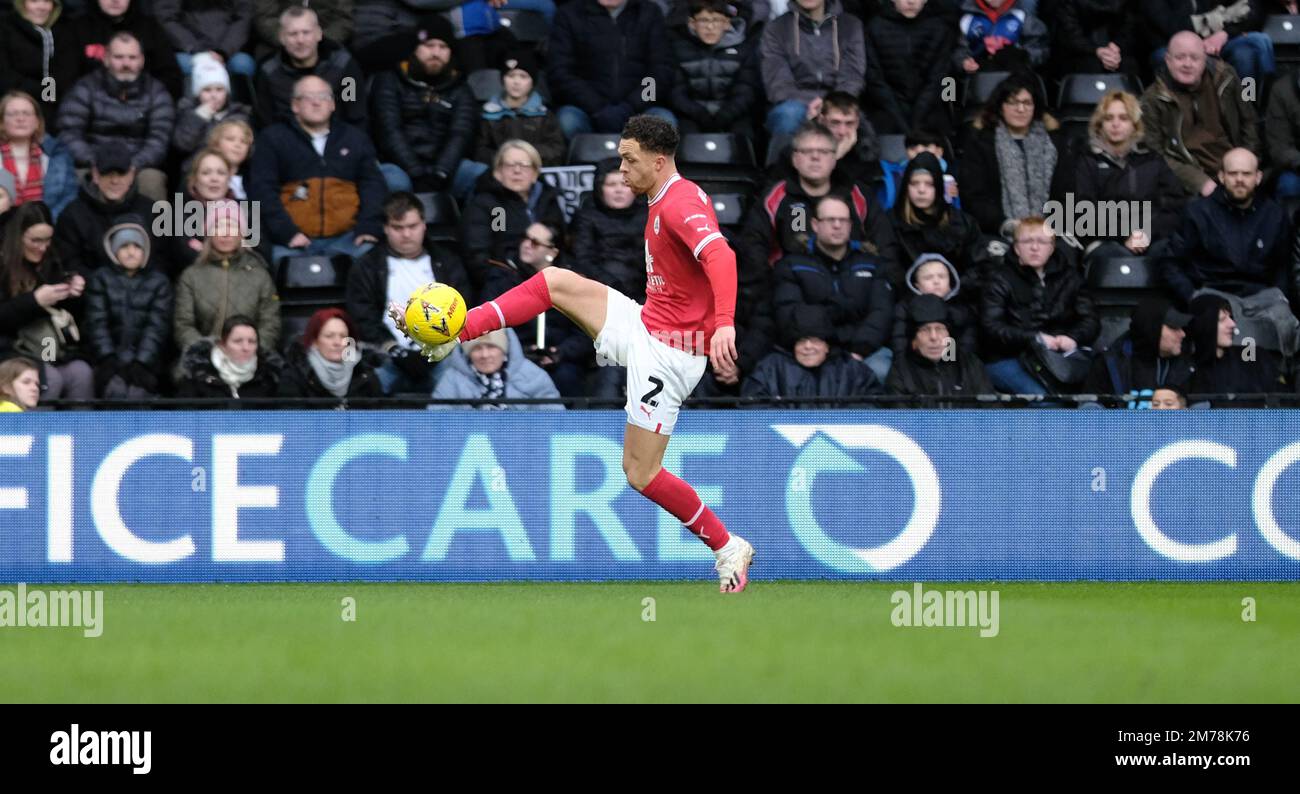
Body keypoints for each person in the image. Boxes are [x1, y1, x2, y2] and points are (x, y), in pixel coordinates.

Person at [391, 115, 756, 593]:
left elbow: (721, 256)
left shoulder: (682, 202)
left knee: (640, 472)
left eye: (629, 159)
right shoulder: (664, 197)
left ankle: (727, 545)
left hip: (670, 354)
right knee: (554, 281)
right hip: (647, 324)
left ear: (659, 160)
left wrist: (724, 322)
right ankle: (454, 332)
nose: (621, 168)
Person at [248, 75, 384, 266]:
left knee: (372, 258)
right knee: (276, 265)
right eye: (308, 97)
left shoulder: (355, 139)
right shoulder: (272, 139)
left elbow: (373, 186)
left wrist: (368, 228)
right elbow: (262, 191)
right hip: (293, 241)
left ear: (333, 104)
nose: (316, 102)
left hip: (349, 238)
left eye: (323, 96)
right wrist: (287, 233)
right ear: (295, 105)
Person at [346, 190, 471, 396]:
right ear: (386, 228)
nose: (406, 234)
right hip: (386, 355)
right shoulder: (366, 267)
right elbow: (363, 317)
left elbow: (462, 308)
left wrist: (437, 346)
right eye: (398, 228)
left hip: (441, 354)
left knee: (458, 380)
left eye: (412, 226)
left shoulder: (448, 263)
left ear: (423, 224)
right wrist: (393, 349)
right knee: (366, 386)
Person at [771, 194, 896, 383]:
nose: (837, 225)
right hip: (812, 349)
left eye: (843, 220)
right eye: (830, 220)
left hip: (864, 351)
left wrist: (859, 350)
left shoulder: (872, 264)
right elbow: (791, 314)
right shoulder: (792, 264)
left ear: (850, 225)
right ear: (815, 225)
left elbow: (881, 313)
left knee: (880, 370)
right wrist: (824, 345)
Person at [980, 216, 1099, 395]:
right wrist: (1034, 338)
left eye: (1042, 242)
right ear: (1016, 247)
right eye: (1027, 241)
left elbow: (1090, 319)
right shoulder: (998, 279)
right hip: (1010, 357)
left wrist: (1073, 338)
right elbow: (991, 328)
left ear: (1051, 248)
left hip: (1061, 357)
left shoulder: (1070, 277)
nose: (1035, 248)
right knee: (1046, 399)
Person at [57, 31, 175, 201]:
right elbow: (69, 133)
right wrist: (96, 163)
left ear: (141, 60)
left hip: (138, 166)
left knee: (153, 180)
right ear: (106, 59)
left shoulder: (157, 92)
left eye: (132, 58)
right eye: (118, 57)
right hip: (92, 163)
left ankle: (153, 229)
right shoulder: (85, 88)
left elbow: (159, 140)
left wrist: (132, 166)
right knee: (72, 177)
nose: (126, 63)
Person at [370, 14, 479, 196]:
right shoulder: (390, 80)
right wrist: (416, 172)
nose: (436, 53)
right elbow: (389, 131)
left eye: (443, 47)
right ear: (416, 48)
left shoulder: (460, 86)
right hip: (400, 167)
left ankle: (483, 225)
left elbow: (460, 134)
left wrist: (441, 172)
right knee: (393, 182)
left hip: (446, 168)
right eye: (429, 45)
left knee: (480, 175)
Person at [1140, 31, 1259, 198]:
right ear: (1167, 60)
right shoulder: (1152, 99)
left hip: (1235, 169)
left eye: (1194, 58)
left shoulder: (1227, 77)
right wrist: (1199, 182)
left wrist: (1245, 163)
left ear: (1205, 60)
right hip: (1190, 182)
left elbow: (1249, 121)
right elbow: (1155, 155)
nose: (1187, 64)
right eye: (1180, 57)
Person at [1073, 90, 1186, 259]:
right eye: (1109, 118)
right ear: (1100, 124)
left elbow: (1174, 208)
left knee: (1170, 254)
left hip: (1151, 237)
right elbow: (1084, 214)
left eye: (1123, 118)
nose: (1115, 124)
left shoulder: (1153, 160)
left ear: (1135, 124)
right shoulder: (1087, 161)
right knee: (1113, 257)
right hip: (1105, 240)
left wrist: (1145, 233)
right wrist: (1126, 233)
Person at [0, 201, 93, 400]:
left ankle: (83, 431)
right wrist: (34, 301)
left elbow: (73, 315)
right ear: (18, 238)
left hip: (51, 349)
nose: (42, 247)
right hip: (11, 351)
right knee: (47, 379)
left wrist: (73, 292)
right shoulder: (3, 266)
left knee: (81, 373)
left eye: (47, 240)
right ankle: (35, 430)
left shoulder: (52, 260)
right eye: (35, 240)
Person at [547, 0, 678, 138]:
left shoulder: (649, 12)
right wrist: (597, 107)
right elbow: (560, 72)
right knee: (568, 121)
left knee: (664, 122)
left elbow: (662, 71)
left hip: (641, 107)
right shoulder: (569, 14)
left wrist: (631, 106)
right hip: (586, 108)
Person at [960, 73, 1070, 237]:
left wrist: (1050, 226)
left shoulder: (1054, 142)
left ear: (1035, 107)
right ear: (1000, 106)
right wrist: (1006, 224)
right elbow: (974, 197)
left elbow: (1066, 192)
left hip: (1051, 232)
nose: (1020, 109)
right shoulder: (981, 143)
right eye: (1012, 102)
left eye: (1027, 103)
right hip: (997, 232)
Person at [173, 202, 280, 359]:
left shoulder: (260, 274)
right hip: (203, 361)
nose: (225, 233)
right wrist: (208, 354)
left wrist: (250, 351)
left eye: (232, 226)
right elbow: (183, 325)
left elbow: (270, 323)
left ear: (241, 233)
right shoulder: (191, 275)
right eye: (218, 226)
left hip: (251, 360)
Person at [460, 140, 566, 292]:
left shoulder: (547, 199)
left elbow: (560, 240)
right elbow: (486, 254)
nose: (517, 170)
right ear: (498, 172)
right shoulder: (495, 207)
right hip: (507, 285)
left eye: (524, 165)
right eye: (509, 165)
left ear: (535, 173)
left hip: (551, 280)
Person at [84, 218, 172, 398]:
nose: (131, 252)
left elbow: (157, 327)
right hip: (109, 361)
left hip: (146, 364)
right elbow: (97, 323)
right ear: (113, 250)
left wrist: (142, 362)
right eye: (124, 247)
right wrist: (108, 358)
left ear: (145, 250)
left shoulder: (159, 282)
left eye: (137, 247)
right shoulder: (101, 279)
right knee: (114, 391)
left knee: (138, 394)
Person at [760, 0, 865, 137]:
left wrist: (829, 105)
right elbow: (778, 84)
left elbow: (852, 76)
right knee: (789, 115)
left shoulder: (850, 25)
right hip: (794, 104)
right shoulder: (776, 29)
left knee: (854, 120)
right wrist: (812, 105)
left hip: (840, 101)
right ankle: (783, 159)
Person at [53, 144, 159, 279]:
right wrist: (104, 286)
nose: (114, 180)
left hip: (144, 292)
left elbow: (161, 260)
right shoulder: (72, 215)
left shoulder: (151, 210)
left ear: (132, 175)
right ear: (95, 175)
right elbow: (69, 263)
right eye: (107, 173)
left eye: (121, 173)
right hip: (92, 292)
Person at [254, 4, 367, 128]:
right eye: (293, 34)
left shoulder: (344, 66)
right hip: (286, 142)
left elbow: (355, 113)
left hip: (337, 140)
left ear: (319, 34)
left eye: (306, 32)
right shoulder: (269, 71)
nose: (300, 40)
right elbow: (266, 122)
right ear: (282, 37)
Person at [741, 309, 882, 406]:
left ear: (827, 345)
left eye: (815, 340)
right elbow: (752, 409)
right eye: (801, 340)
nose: (808, 346)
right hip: (781, 447)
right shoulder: (770, 369)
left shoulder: (852, 371)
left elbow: (873, 409)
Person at [863, 0, 956, 136]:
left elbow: (938, 78)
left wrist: (916, 120)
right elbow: (875, 79)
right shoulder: (874, 27)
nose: (911, 1)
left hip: (929, 109)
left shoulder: (940, 27)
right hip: (886, 110)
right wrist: (901, 121)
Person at [669, 0, 761, 136]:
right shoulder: (678, 49)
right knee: (684, 136)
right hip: (691, 115)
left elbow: (746, 90)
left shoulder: (743, 49)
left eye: (716, 20)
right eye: (703, 20)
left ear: (726, 23)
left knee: (743, 134)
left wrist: (726, 114)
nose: (710, 27)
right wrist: (699, 113)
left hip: (731, 113)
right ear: (692, 23)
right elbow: (676, 92)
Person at [1084, 296, 1194, 408]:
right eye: (1174, 328)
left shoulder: (1187, 365)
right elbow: (1089, 416)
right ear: (1152, 329)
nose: (1182, 334)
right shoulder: (1108, 363)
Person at [886, 293, 994, 407]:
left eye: (940, 329)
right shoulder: (900, 372)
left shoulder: (969, 364)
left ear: (949, 335)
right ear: (914, 341)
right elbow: (901, 421)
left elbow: (992, 413)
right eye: (925, 329)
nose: (934, 337)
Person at [430, 327, 564, 409]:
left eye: (491, 347)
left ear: (505, 349)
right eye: (477, 348)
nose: (485, 355)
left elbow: (555, 423)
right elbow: (434, 426)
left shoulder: (534, 376)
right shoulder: (451, 379)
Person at [476, 49, 566, 168]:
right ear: (503, 79)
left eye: (523, 77)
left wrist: (527, 154)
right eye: (511, 75)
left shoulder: (544, 115)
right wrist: (505, 158)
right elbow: (479, 150)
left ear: (532, 82)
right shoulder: (488, 113)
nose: (516, 82)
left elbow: (557, 150)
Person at [0, 91, 78, 219]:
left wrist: (43, 223)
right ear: (2, 123)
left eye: (26, 113)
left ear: (37, 122)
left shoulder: (57, 156)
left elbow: (69, 198)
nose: (20, 119)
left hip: (47, 231)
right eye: (13, 114)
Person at [279, 307, 382, 402]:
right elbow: (291, 419)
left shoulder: (364, 372)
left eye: (343, 336)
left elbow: (380, 418)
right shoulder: (295, 375)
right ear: (315, 341)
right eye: (329, 336)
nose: (337, 342)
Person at [0, 0, 79, 122]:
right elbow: (6, 76)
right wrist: (43, 93)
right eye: (34, 1)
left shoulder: (66, 29)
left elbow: (68, 73)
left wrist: (51, 95)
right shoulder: (5, 28)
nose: (41, 7)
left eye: (47, 1)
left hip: (58, 106)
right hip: (14, 104)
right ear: (22, 4)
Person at [890, 252, 979, 357]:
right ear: (917, 285)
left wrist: (954, 362)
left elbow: (967, 341)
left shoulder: (961, 307)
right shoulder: (905, 307)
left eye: (942, 276)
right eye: (928, 278)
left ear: (950, 282)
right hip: (915, 364)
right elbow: (900, 339)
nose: (936, 281)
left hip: (954, 363)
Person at [176, 314, 282, 400]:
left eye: (252, 342)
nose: (246, 347)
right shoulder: (197, 377)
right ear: (222, 345)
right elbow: (185, 421)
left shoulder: (269, 379)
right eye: (238, 341)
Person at [171, 53, 253, 161]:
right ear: (198, 94)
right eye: (207, 90)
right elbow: (182, 144)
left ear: (227, 93)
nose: (214, 95)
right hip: (196, 170)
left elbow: (249, 150)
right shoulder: (187, 112)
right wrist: (198, 117)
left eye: (219, 89)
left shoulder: (238, 115)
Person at [155, 0, 257, 78]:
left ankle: (238, 106)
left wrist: (223, 52)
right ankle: (188, 105)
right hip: (189, 49)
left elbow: (244, 15)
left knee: (243, 64)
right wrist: (196, 49)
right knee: (180, 65)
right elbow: (167, 17)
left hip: (228, 50)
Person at [951, 0, 1050, 75]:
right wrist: (964, 62)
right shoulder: (968, 19)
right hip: (980, 78)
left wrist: (1023, 56)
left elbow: (1040, 48)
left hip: (1016, 77)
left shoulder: (1022, 16)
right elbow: (959, 50)